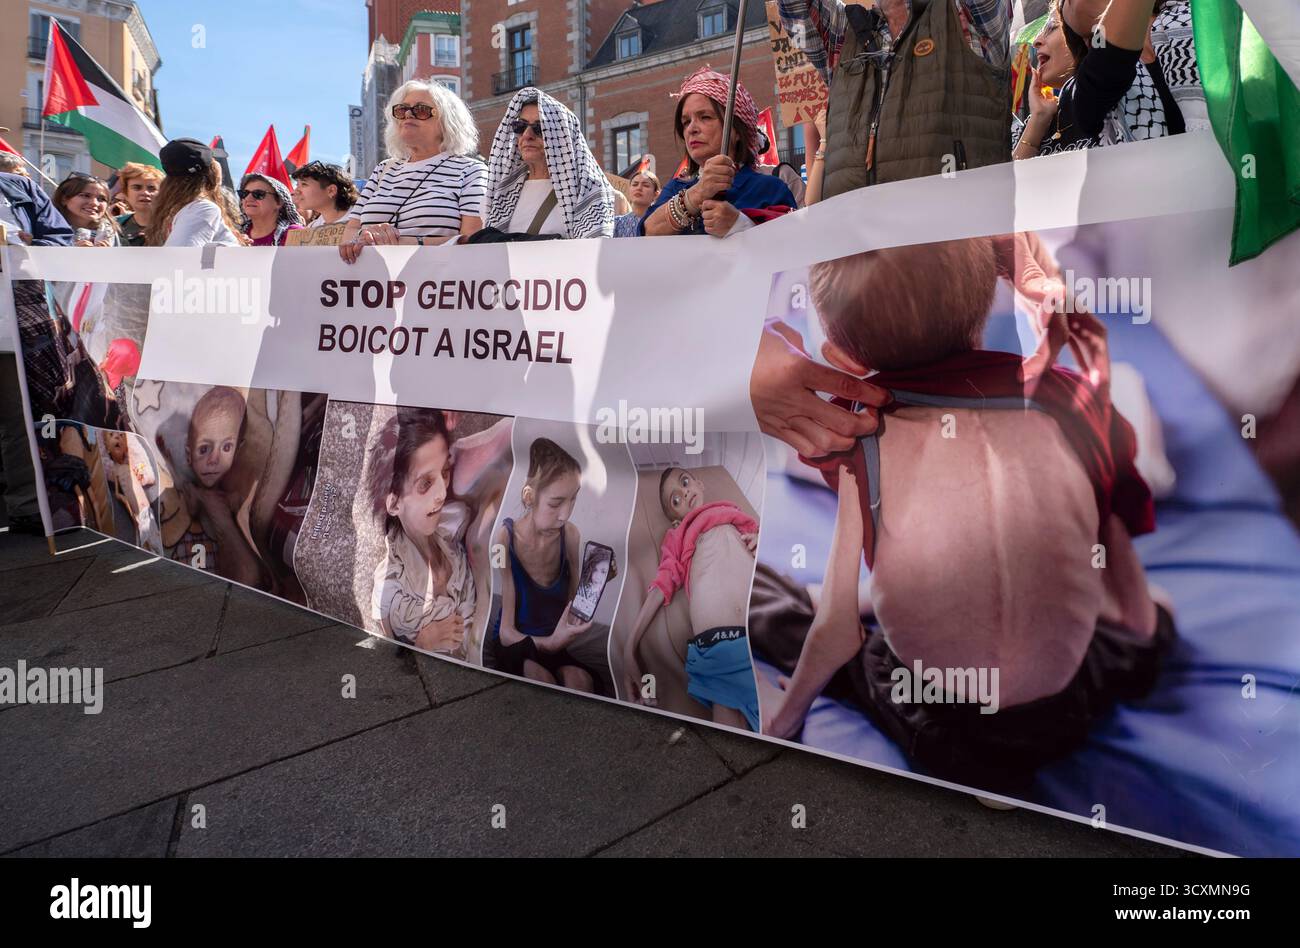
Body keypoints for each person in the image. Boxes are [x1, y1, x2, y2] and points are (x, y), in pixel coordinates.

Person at [752, 237, 1175, 793]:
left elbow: (836, 635)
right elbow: (1115, 551)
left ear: (841, 358)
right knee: (1141, 613)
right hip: (1064, 714)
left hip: (943, 730)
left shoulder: (864, 439)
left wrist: (783, 721)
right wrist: (1141, 643)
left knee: (773, 600)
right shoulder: (1071, 405)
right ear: (986, 305)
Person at [779, 0, 1012, 197]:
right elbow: (796, 7)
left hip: (953, 241)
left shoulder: (961, 15)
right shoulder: (845, 34)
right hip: (860, 245)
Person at [622, 467, 762, 731]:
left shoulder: (736, 516)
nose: (684, 493)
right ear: (676, 520)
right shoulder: (680, 534)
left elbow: (767, 551)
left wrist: (760, 540)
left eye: (685, 482)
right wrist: (630, 645)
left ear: (700, 483)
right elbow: (662, 584)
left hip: (763, 638)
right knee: (732, 738)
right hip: (719, 647)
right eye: (676, 500)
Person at [491, 438, 604, 691]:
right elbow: (506, 633)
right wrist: (549, 643)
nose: (565, 515)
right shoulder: (505, 538)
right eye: (555, 504)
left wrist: (594, 583)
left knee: (581, 682)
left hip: (555, 643)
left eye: (573, 500)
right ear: (529, 497)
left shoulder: (571, 535)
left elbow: (574, 606)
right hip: (519, 643)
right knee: (542, 681)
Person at [367, 408, 477, 657]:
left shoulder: (455, 550)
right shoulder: (390, 587)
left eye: (445, 473)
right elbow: (387, 665)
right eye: (426, 483)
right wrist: (422, 645)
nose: (441, 493)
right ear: (394, 503)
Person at [340, 80, 484, 262]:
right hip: (374, 284)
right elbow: (350, 230)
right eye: (402, 110)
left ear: (447, 121)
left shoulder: (471, 171)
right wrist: (365, 235)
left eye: (421, 110)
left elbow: (475, 240)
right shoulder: (384, 169)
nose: (408, 114)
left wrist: (405, 243)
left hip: (436, 282)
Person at [642, 68, 796, 237]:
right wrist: (695, 195)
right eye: (686, 122)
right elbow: (647, 232)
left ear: (736, 130)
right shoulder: (675, 188)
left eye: (705, 117)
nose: (691, 129)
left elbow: (793, 245)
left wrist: (741, 224)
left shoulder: (770, 188)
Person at [1, 172, 72, 535]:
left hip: (16, 322)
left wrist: (28, 245)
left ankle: (27, 505)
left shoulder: (21, 188)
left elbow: (62, 239)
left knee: (20, 418)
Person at [1015, 0, 1162, 157]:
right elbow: (1007, 180)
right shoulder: (1091, 90)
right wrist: (1039, 119)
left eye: (1051, 27)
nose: (1036, 41)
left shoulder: (1183, 28)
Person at [483, 87, 616, 240]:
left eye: (539, 128)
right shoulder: (502, 191)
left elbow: (592, 254)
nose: (527, 135)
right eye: (520, 126)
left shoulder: (588, 190)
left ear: (560, 137)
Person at [148, 138, 242, 247]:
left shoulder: (170, 209)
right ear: (209, 170)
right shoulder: (202, 209)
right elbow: (181, 258)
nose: (217, 164)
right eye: (213, 159)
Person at [238, 173, 304, 247]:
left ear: (279, 202)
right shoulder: (234, 233)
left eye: (258, 194)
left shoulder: (295, 234)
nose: (248, 198)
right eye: (244, 193)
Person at [53, 173, 118, 246]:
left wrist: (109, 255)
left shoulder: (110, 232)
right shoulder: (48, 230)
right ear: (64, 199)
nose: (94, 203)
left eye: (101, 199)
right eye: (86, 196)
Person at [290, 161, 358, 228]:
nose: (296, 191)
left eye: (304, 184)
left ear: (331, 191)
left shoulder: (362, 220)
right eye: (297, 185)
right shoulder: (312, 228)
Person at [114, 161, 163, 246]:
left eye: (151, 188)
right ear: (126, 193)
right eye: (137, 187)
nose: (145, 193)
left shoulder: (174, 225)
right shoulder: (114, 225)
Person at [613, 170, 660, 237]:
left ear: (656, 194)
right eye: (635, 185)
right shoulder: (617, 224)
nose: (639, 188)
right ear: (629, 190)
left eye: (645, 185)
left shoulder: (664, 223)